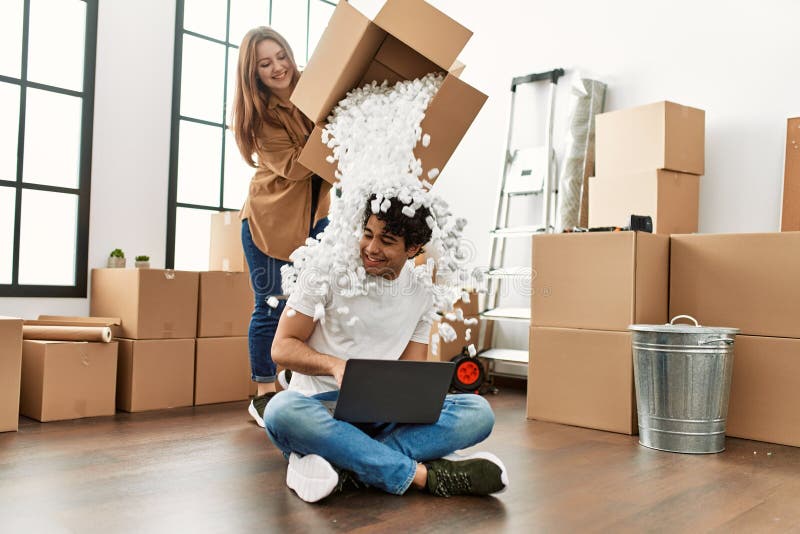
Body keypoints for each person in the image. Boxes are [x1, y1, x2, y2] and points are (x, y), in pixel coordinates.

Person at [263, 195, 508, 503]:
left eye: (387, 241)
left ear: (413, 249)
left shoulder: (421, 294)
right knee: (280, 410)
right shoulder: (324, 272)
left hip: (381, 412)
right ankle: (422, 476)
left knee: (478, 413)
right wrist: (335, 366)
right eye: (368, 234)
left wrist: (416, 397)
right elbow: (281, 348)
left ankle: (347, 463)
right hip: (321, 409)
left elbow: (410, 373)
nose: (371, 248)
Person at [231, 26, 331, 427]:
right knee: (271, 305)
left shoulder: (317, 89)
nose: (278, 68)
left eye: (281, 57)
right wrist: (334, 134)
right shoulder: (260, 119)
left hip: (316, 221)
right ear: (253, 74)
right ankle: (263, 393)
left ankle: (303, 383)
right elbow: (294, 167)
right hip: (268, 223)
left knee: (313, 306)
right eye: (265, 64)